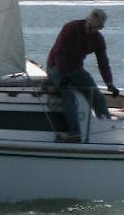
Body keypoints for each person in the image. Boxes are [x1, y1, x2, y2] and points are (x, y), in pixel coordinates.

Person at [46, 8, 119, 142]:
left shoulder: (98, 40)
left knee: (97, 97)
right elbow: (59, 54)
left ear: (100, 29)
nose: (90, 30)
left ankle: (108, 130)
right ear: (86, 21)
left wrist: (109, 83)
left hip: (76, 69)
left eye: (94, 29)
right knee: (68, 93)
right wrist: (63, 78)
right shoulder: (70, 28)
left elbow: (103, 62)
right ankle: (75, 133)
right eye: (89, 26)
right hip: (56, 66)